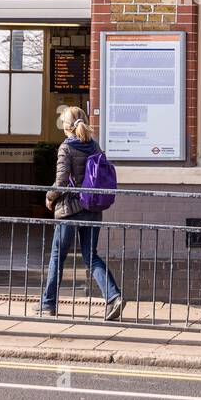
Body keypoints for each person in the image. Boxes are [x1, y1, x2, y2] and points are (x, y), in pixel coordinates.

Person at [39, 107, 124, 321]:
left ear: (65, 126)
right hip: (92, 209)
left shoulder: (65, 148)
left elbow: (60, 183)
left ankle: (48, 304)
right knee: (91, 257)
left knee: (58, 256)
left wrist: (50, 197)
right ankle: (114, 297)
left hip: (69, 210)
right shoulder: (94, 145)